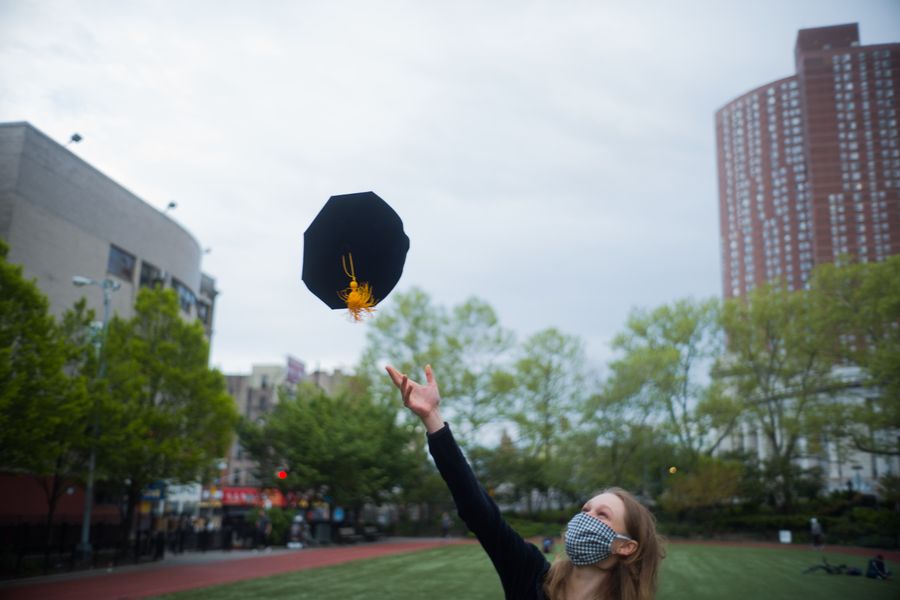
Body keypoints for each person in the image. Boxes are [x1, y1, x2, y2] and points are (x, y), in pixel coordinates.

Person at [387, 365, 665, 600]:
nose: (586, 517)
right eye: (585, 510)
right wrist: (432, 418)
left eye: (602, 515)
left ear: (626, 546)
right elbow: (479, 512)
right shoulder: (531, 575)